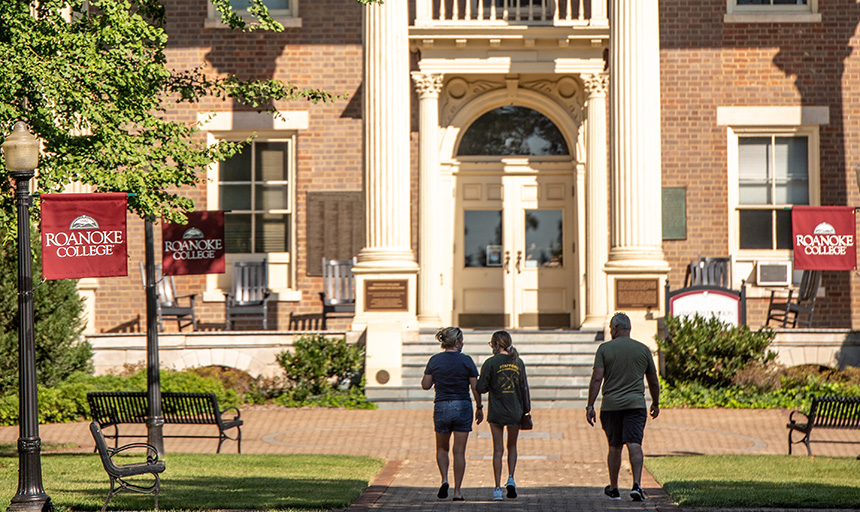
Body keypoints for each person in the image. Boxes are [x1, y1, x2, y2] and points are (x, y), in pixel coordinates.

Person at [586, 312, 660, 502]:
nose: (611, 331)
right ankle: (636, 484)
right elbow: (653, 380)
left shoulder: (604, 349)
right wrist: (656, 402)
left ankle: (614, 487)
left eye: (612, 328)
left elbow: (596, 378)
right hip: (636, 405)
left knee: (614, 445)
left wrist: (590, 405)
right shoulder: (643, 350)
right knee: (635, 444)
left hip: (611, 406)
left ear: (617, 328)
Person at [422, 327, 483, 501]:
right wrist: (479, 407)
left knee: (442, 448)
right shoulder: (466, 361)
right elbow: (475, 387)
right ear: (457, 342)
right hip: (462, 405)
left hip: (441, 405)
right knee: (459, 451)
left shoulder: (435, 360)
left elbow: (425, 385)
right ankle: (457, 491)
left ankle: (444, 479)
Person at [477, 330, 531, 501]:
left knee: (498, 449)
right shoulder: (518, 362)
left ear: (496, 344)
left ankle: (497, 488)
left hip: (497, 411)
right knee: (512, 446)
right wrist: (526, 410)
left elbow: (481, 387)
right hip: (516, 410)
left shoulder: (491, 363)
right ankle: (511, 478)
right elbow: (524, 388)